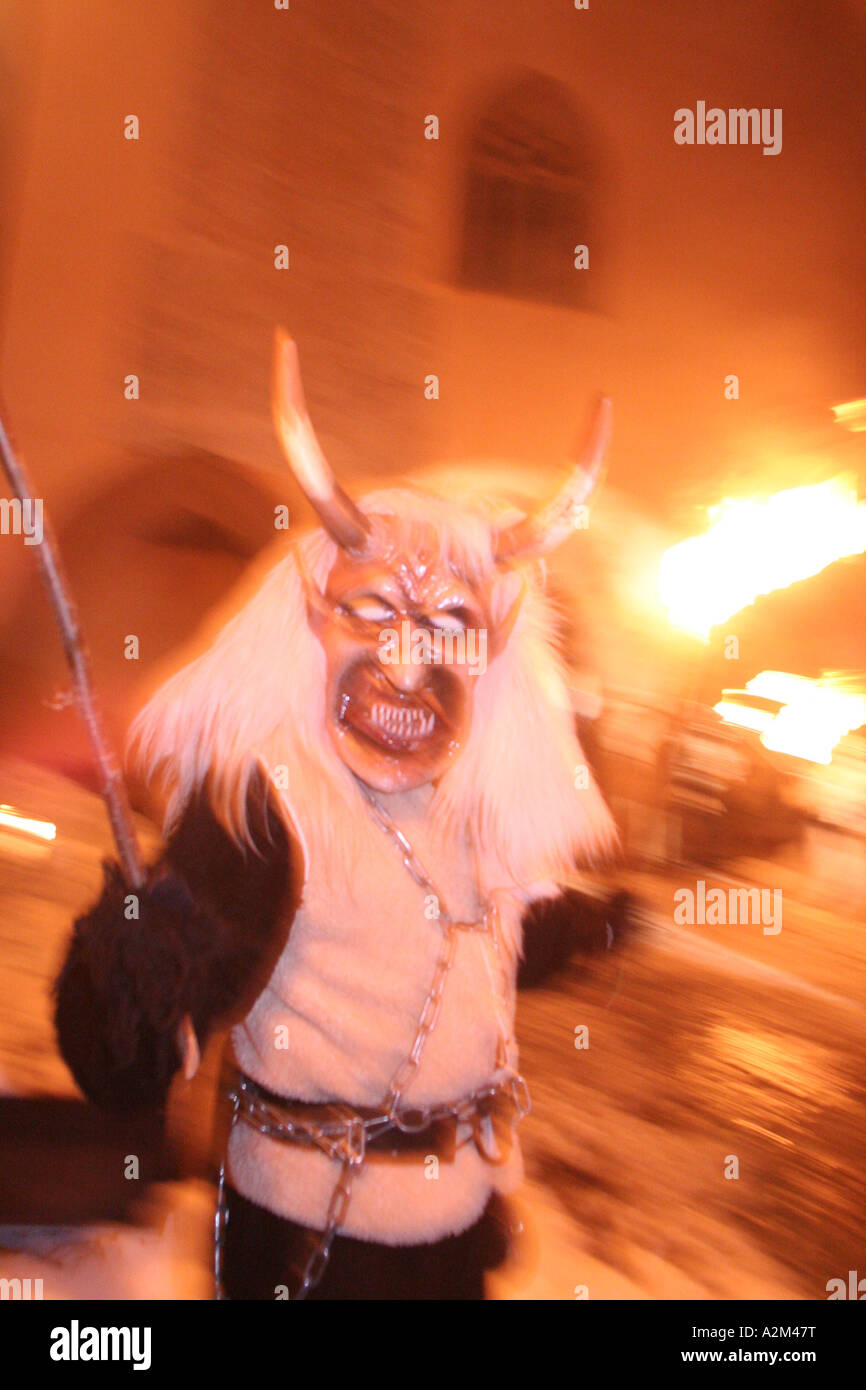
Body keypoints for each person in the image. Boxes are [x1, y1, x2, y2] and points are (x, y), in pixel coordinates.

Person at [54, 333, 618, 1299]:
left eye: (449, 626)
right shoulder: (273, 804)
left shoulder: (477, 801)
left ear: (495, 649)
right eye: (372, 614)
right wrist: (131, 977)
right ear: (314, 617)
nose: (406, 663)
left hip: (457, 1229)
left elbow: (490, 938)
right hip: (313, 1249)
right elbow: (130, 1050)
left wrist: (604, 921)